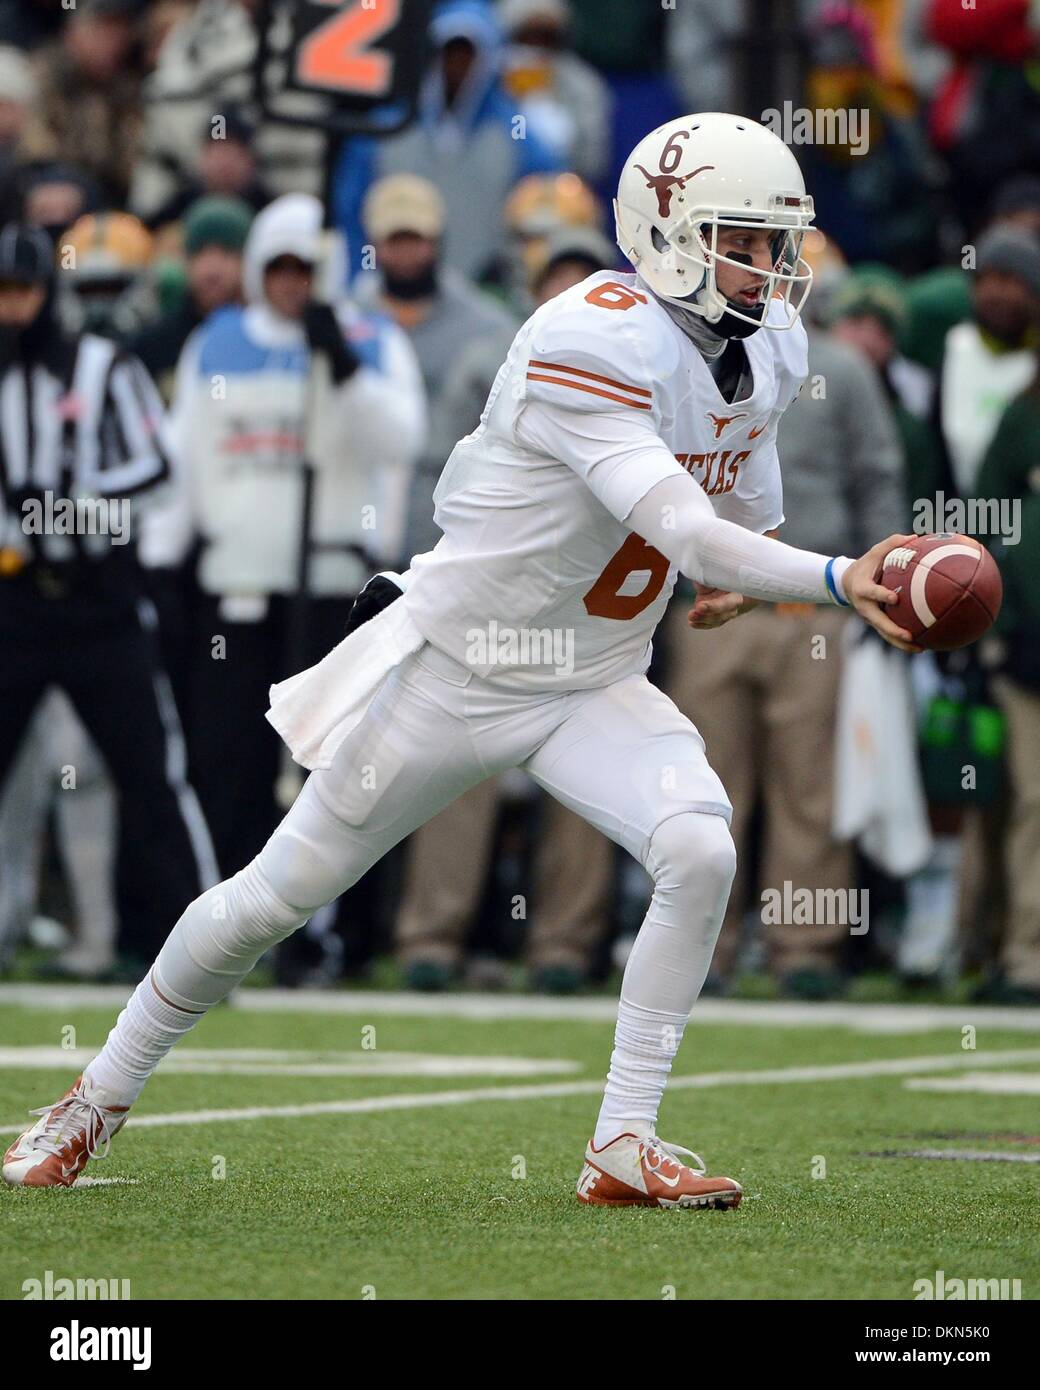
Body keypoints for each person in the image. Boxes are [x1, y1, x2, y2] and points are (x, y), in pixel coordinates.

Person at [4, 114, 919, 1206]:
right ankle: (95, 1096)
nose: (769, 268)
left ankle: (622, 1142)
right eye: (742, 239)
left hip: (590, 678)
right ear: (668, 234)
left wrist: (746, 570)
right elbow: (678, 525)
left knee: (697, 847)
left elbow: (732, 513)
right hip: (463, 666)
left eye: (776, 242)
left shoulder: (767, 344)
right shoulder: (590, 335)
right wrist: (838, 577)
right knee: (268, 899)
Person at [0, 222, 216, 981]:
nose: (13, 310)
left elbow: (155, 468)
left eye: (22, 292)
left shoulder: (100, 367)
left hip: (98, 601)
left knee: (151, 777)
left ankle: (203, 951)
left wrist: (71, 502)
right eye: (3, 295)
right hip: (16, 604)